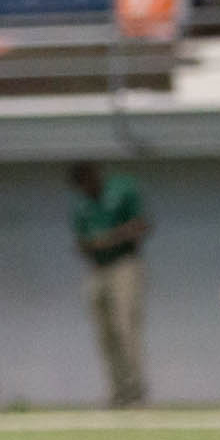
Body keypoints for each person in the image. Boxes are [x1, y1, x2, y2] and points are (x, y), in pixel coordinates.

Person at [68, 161, 150, 407]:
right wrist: (95, 245)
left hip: (124, 265)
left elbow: (141, 225)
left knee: (125, 326)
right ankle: (117, 392)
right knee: (105, 333)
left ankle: (135, 392)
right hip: (97, 269)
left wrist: (108, 239)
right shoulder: (81, 204)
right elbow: (81, 242)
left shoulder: (122, 189)